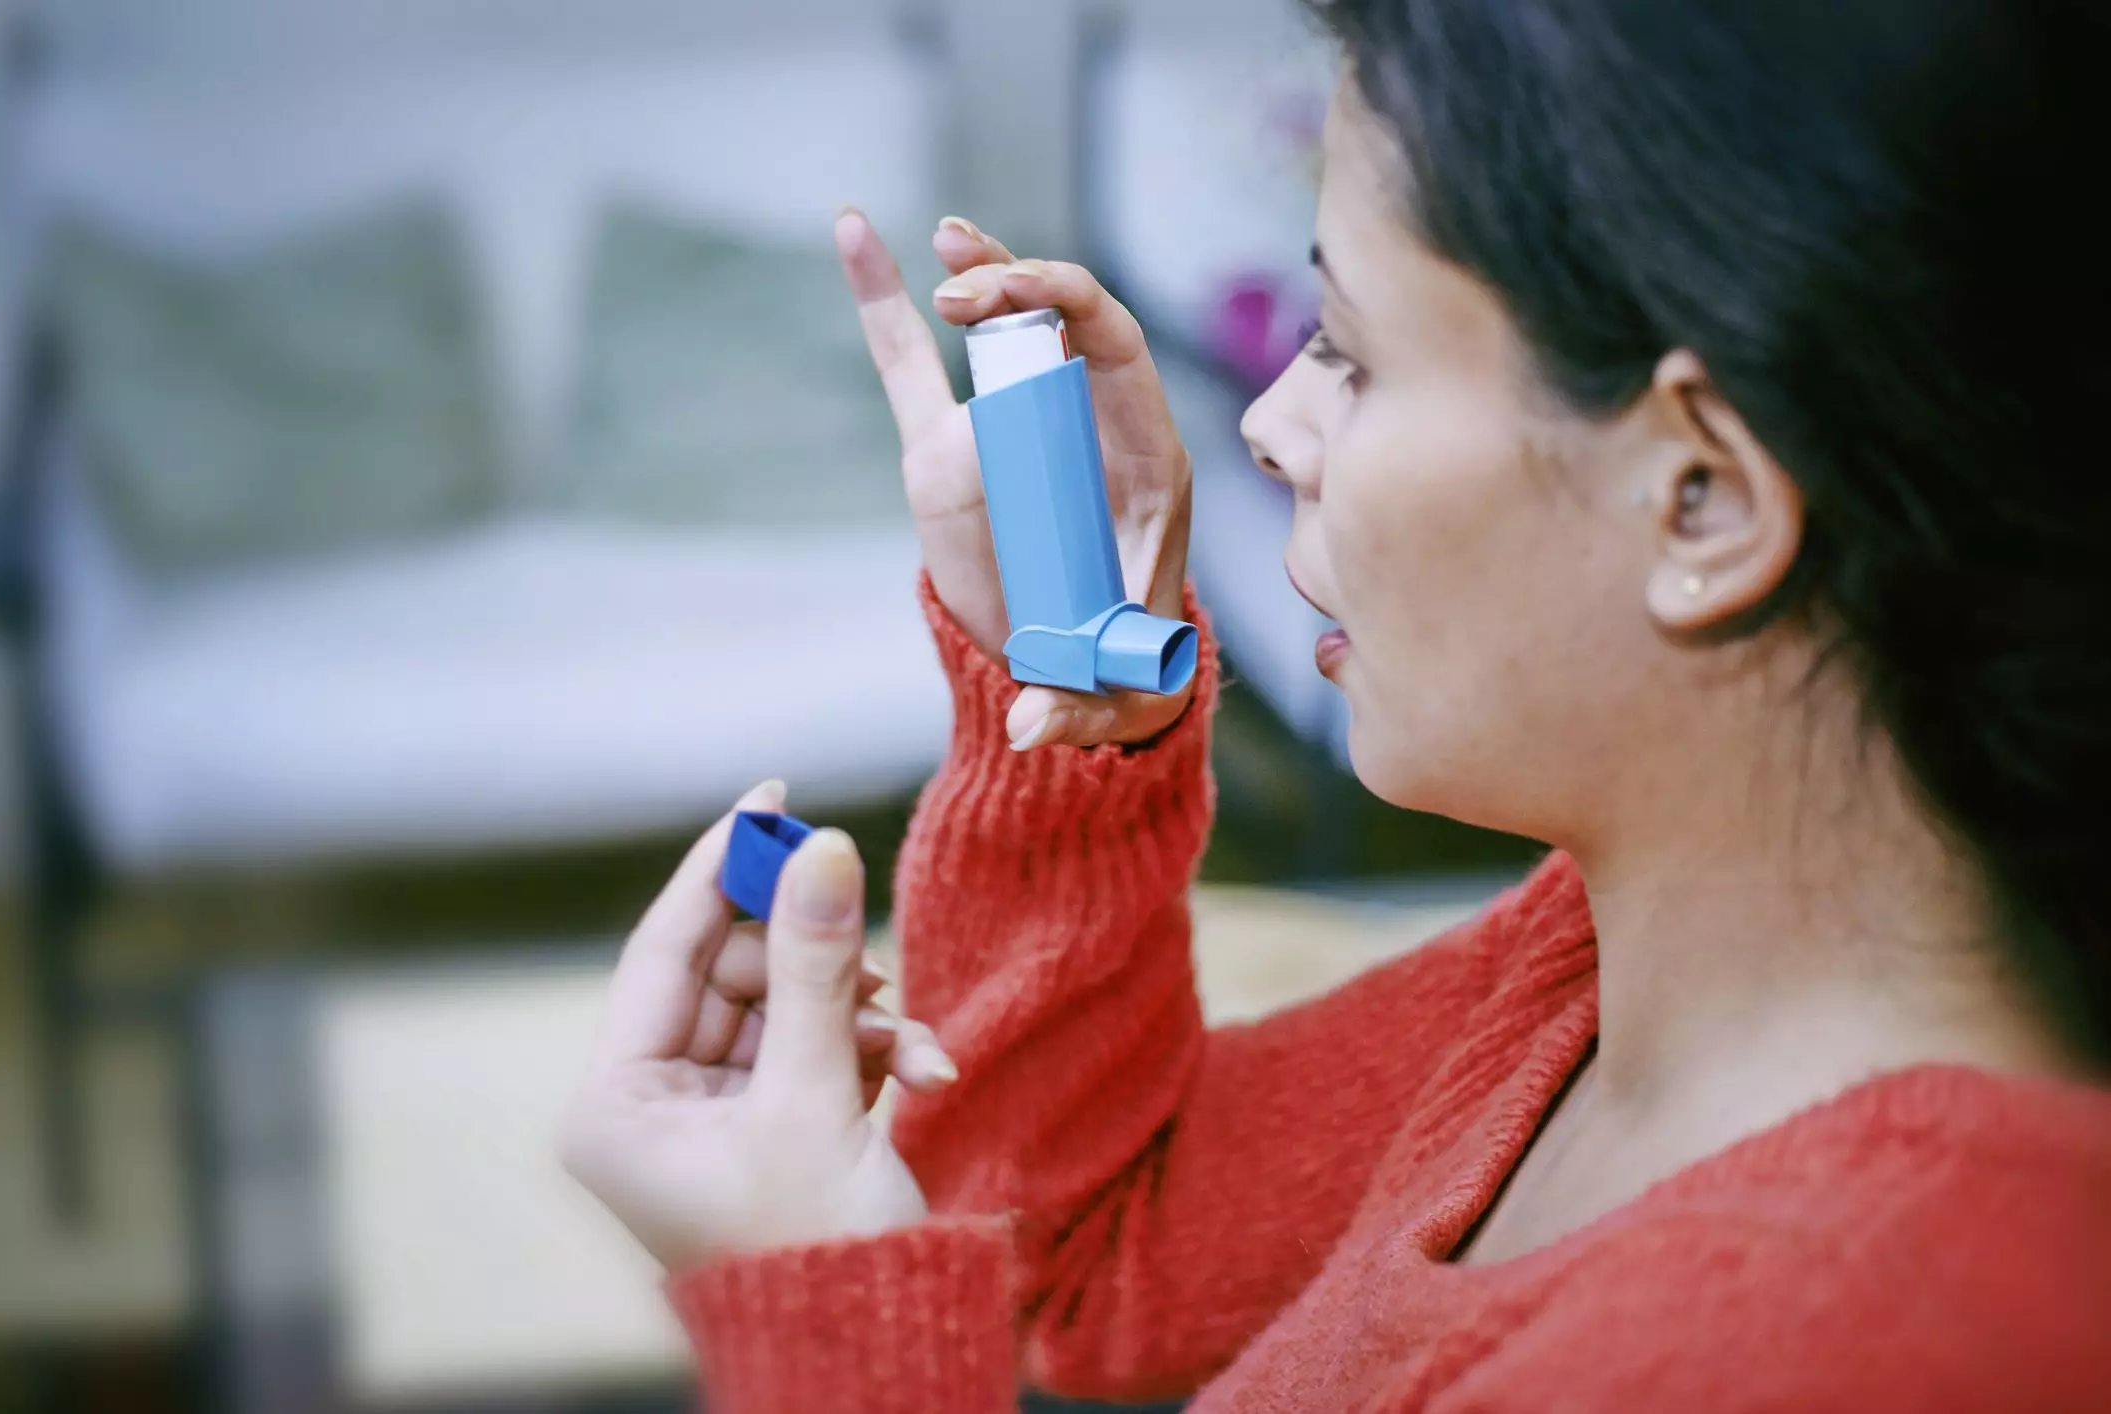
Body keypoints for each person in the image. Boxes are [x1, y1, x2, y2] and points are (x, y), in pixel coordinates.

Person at [556, 1, 2111, 1408]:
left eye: (1351, 355)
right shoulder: (1590, 976)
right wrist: (1069, 677)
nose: (1275, 428)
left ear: (1699, 500)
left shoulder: (1846, 1342)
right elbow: (1074, 1255)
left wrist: (827, 1338)